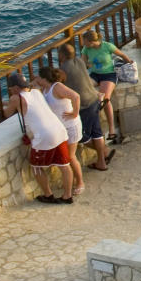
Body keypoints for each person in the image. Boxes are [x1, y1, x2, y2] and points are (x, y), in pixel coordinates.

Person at [0, 73, 73, 204]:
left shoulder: (16, 98)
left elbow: (7, 113)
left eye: (10, 89)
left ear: (15, 88)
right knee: (64, 165)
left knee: (36, 167)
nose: (10, 92)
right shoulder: (36, 92)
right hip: (59, 130)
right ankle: (67, 196)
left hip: (44, 136)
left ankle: (48, 195)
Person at [57, 43, 113, 170]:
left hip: (84, 105)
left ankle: (105, 151)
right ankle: (102, 161)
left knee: (82, 137)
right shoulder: (80, 61)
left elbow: (58, 85)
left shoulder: (63, 70)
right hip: (94, 100)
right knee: (97, 133)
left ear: (62, 55)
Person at [34, 66, 85, 197]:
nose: (36, 78)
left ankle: (80, 182)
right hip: (60, 129)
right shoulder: (44, 89)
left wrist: (75, 112)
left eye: (38, 76)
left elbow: (76, 96)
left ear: (44, 78)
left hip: (70, 126)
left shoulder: (57, 87)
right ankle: (72, 180)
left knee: (70, 156)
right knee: (65, 158)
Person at [80, 29, 131, 143]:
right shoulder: (86, 49)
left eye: (84, 41)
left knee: (106, 99)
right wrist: (87, 65)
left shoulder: (107, 46)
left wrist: (129, 63)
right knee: (84, 88)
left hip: (108, 74)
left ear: (91, 41)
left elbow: (121, 54)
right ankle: (98, 96)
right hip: (95, 75)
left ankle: (112, 128)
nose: (83, 43)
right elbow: (83, 65)